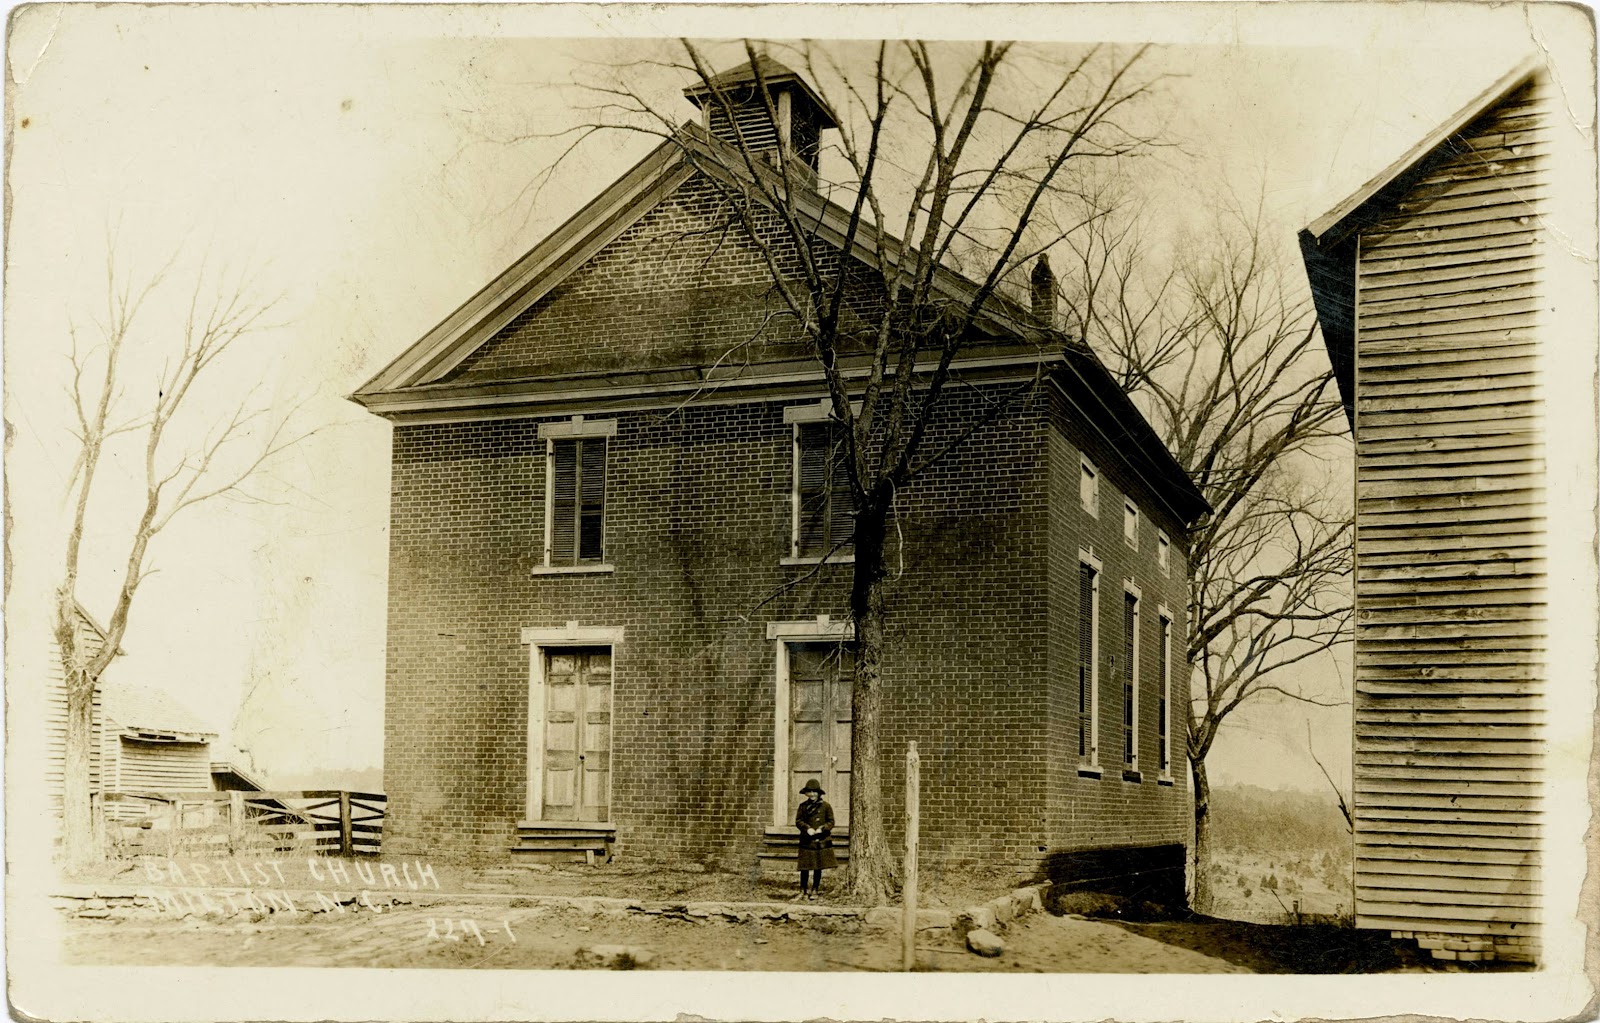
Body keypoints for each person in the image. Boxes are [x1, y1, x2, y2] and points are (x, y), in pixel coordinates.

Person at [795, 778, 836, 900]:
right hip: (806, 840)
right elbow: (798, 821)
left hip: (820, 840)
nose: (812, 794)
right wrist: (807, 829)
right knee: (805, 867)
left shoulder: (826, 806)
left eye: (814, 792)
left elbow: (831, 821)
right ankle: (803, 890)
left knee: (818, 866)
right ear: (806, 793)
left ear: (818, 793)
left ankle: (815, 889)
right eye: (809, 792)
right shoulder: (803, 806)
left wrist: (822, 829)